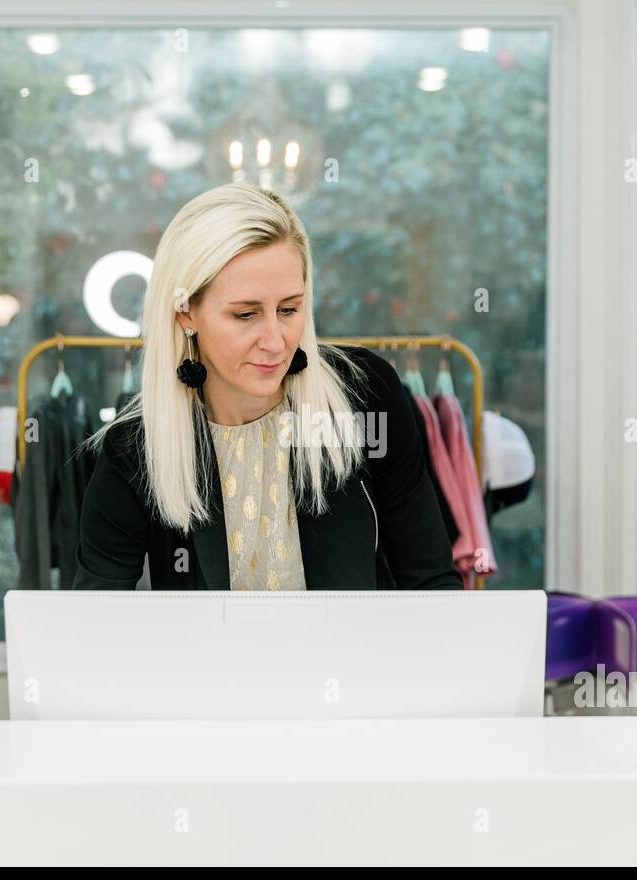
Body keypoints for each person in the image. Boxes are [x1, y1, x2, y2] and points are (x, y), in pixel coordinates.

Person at [73, 182, 461, 591]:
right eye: (245, 315)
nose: (275, 341)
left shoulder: (366, 398)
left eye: (289, 309)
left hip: (354, 656)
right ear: (185, 314)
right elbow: (96, 619)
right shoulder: (136, 447)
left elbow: (431, 583)